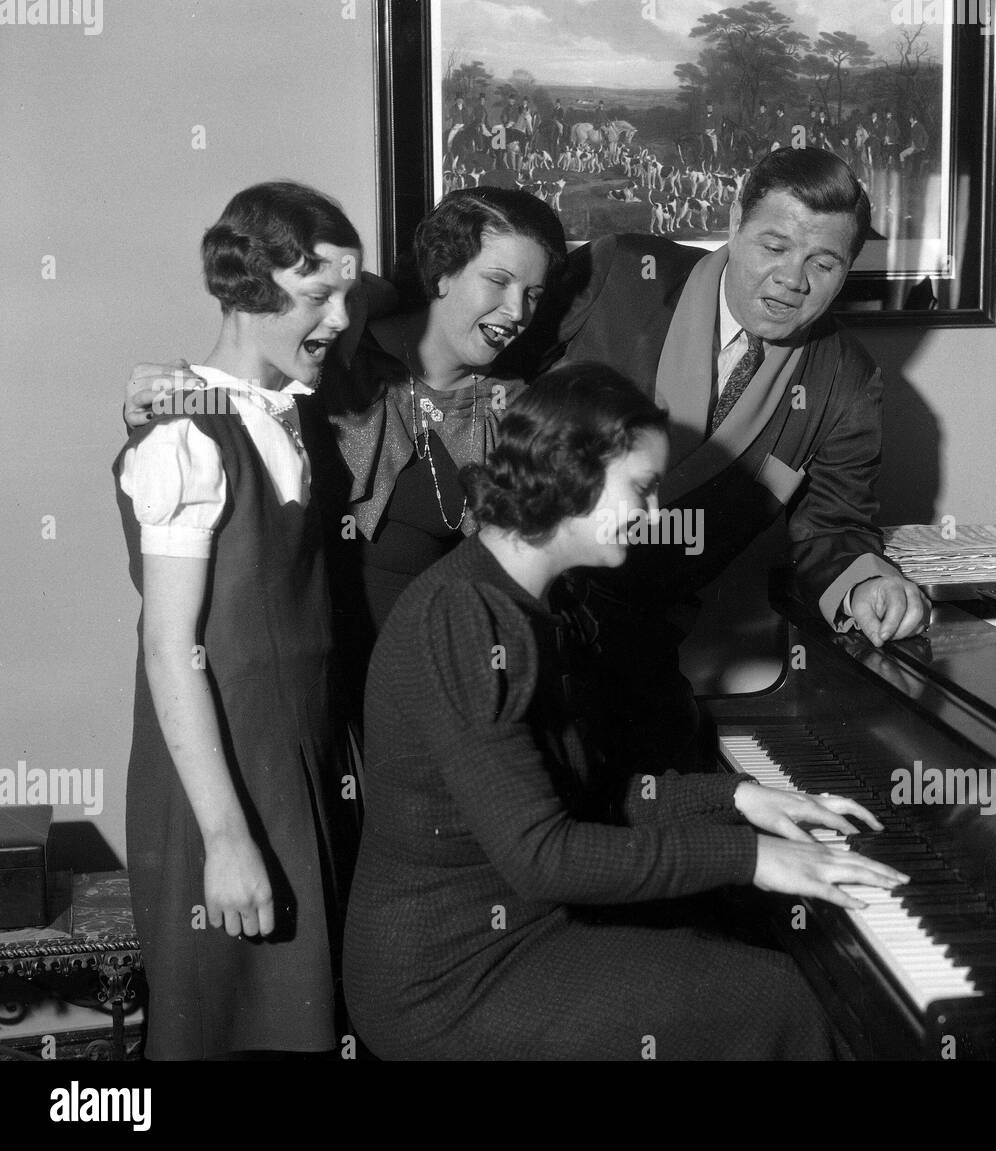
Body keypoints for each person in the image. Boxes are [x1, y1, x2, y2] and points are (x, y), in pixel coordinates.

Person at [342, 363, 908, 1060]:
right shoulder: (462, 616)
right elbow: (545, 855)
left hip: (519, 926)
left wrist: (741, 798)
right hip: (447, 974)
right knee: (768, 995)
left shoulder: (536, 597)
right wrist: (753, 856)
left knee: (744, 953)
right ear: (568, 470)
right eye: (640, 487)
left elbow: (594, 794)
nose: (654, 511)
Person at [499, 146, 929, 777]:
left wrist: (867, 581)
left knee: (693, 826)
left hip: (635, 643)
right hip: (505, 612)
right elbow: (491, 361)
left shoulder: (846, 379)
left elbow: (834, 530)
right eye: (773, 246)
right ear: (733, 220)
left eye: (824, 262)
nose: (792, 279)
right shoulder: (623, 270)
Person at [124, 188, 568, 731]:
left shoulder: (513, 407)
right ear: (444, 272)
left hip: (452, 704)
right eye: (498, 281)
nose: (517, 310)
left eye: (534, 293)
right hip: (330, 703)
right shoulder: (337, 362)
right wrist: (154, 404)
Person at [112, 181, 363, 1059]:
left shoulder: (289, 415)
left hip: (301, 765)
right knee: (222, 1027)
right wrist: (225, 838)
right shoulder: (186, 433)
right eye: (317, 293)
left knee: (299, 1015)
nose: (338, 318)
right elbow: (168, 651)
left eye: (348, 294)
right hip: (222, 780)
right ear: (248, 287)